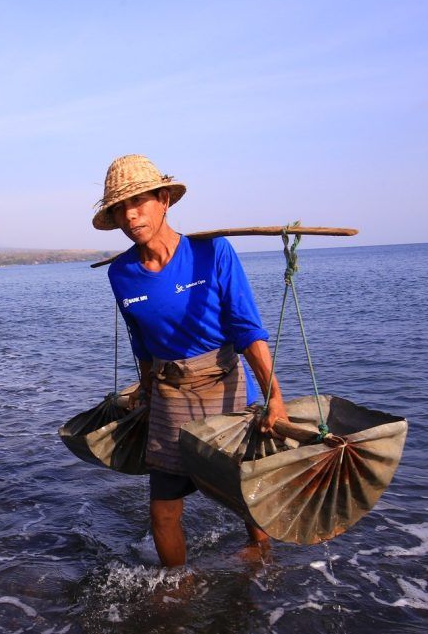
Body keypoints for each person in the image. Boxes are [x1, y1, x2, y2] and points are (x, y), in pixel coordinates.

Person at [95, 154, 289, 567]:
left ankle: (261, 556)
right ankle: (177, 585)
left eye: (139, 202)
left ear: (164, 200)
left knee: (242, 489)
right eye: (120, 208)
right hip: (168, 395)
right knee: (162, 511)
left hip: (223, 384)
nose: (130, 215)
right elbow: (140, 341)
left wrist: (275, 398)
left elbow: (247, 329)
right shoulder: (121, 273)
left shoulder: (211, 252)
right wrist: (146, 390)